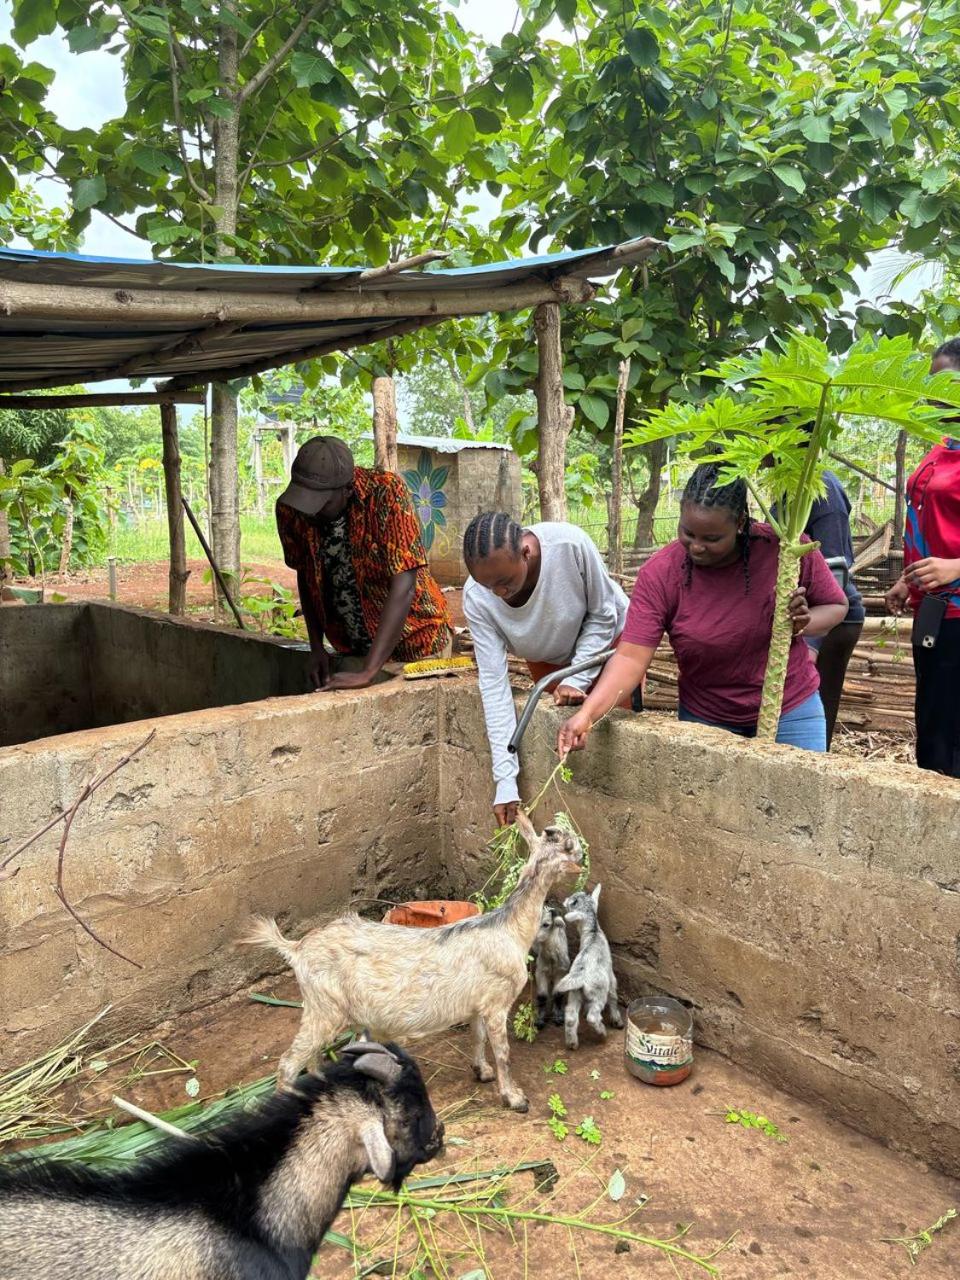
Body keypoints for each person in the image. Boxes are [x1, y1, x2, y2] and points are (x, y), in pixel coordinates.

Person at [557, 462, 849, 759]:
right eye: (688, 533)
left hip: (791, 709)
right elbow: (631, 657)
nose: (696, 547)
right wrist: (588, 713)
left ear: (740, 523)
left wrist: (804, 621)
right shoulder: (660, 574)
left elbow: (837, 606)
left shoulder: (785, 551)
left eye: (712, 539)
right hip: (707, 716)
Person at [462, 512, 631, 828]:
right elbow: (494, 686)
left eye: (506, 583)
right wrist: (505, 782)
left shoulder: (569, 545)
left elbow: (603, 614)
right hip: (548, 656)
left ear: (526, 552)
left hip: (609, 644)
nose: (499, 594)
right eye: (489, 586)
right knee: (563, 735)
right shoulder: (476, 597)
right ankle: (582, 822)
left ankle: (619, 821)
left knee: (611, 738)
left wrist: (577, 678)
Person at [276, 435, 453, 691]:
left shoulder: (386, 494)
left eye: (320, 503)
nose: (309, 511)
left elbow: (404, 587)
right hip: (354, 647)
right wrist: (316, 648)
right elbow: (306, 576)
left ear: (347, 489)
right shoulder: (291, 510)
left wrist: (369, 670)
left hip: (416, 643)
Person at [885, 337, 960, 777]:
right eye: (931, 384)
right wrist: (909, 578)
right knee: (934, 725)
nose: (934, 395)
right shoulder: (943, 443)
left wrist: (955, 566)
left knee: (951, 736)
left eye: (946, 383)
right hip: (933, 609)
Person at [802, 470, 865, 748]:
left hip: (832, 624)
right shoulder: (789, 483)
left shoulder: (822, 487)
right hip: (804, 617)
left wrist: (812, 642)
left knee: (813, 716)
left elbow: (835, 570)